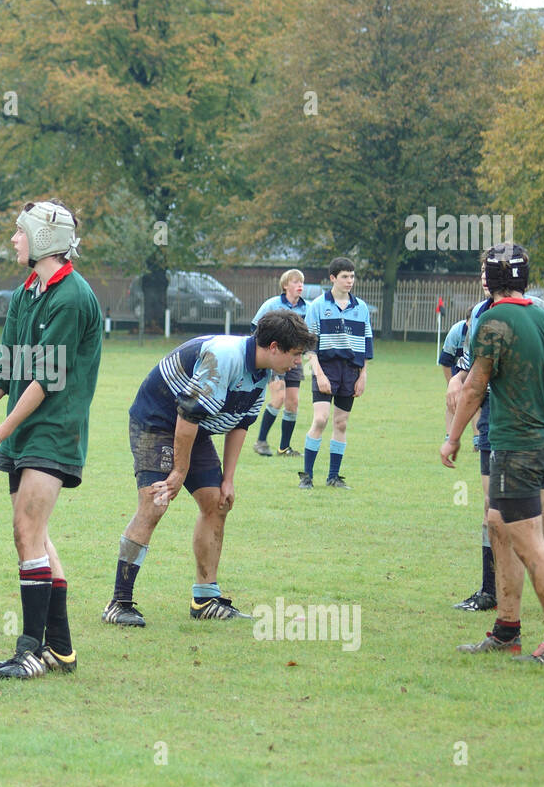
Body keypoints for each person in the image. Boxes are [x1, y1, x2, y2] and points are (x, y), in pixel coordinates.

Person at [102, 311, 317, 627]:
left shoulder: (265, 373)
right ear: (274, 347)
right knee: (155, 503)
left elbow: (241, 423)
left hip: (193, 426)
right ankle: (118, 603)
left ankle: (205, 599)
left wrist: (228, 479)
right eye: (296, 354)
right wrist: (177, 472)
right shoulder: (224, 357)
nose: (298, 362)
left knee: (217, 502)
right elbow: (186, 415)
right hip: (158, 421)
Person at [0, 199, 101, 679]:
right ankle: (60, 649)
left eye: (20, 232)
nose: (14, 239)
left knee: (26, 532)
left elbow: (44, 379)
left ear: (44, 239)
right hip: (27, 430)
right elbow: (6, 366)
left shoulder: (71, 297)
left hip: (55, 430)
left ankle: (29, 649)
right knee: (36, 536)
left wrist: (0, 430)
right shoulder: (27, 291)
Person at [442, 243, 544, 664]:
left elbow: (474, 386)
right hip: (543, 444)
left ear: (490, 279)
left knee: (527, 541)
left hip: (514, 446)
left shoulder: (492, 320)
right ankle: (507, 629)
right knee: (497, 523)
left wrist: (452, 439)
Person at [299, 257, 371, 489]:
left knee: (341, 424)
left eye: (352, 276)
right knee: (320, 419)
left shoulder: (361, 308)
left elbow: (365, 344)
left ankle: (333, 477)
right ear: (333, 278)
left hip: (350, 370)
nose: (350, 281)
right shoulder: (317, 306)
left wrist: (362, 375)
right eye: (345, 277)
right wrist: (318, 374)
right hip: (324, 367)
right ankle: (306, 476)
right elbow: (309, 346)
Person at [251, 269, 308, 457]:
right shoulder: (272, 304)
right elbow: (255, 328)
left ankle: (284, 448)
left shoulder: (306, 308)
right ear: (285, 285)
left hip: (295, 359)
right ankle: (261, 441)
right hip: (275, 359)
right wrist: (266, 353)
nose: (300, 285)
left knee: (293, 402)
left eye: (301, 282)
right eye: (295, 282)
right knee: (278, 398)